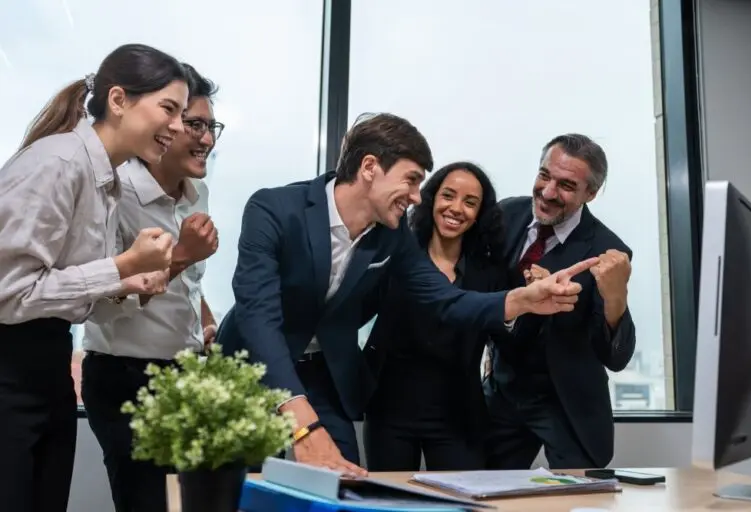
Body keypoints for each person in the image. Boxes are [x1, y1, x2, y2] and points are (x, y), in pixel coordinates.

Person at [216, 113, 600, 476]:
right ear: (369, 168)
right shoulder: (275, 209)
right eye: (411, 180)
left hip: (320, 372)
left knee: (342, 481)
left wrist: (524, 299)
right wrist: (300, 423)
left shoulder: (392, 235)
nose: (418, 197)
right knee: (232, 485)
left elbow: (444, 299)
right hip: (251, 364)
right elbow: (259, 317)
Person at [0, 43, 190, 512]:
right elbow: (8, 294)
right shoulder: (60, 162)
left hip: (48, 365)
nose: (179, 127)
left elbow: (59, 283)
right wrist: (123, 267)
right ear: (119, 100)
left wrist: (130, 283)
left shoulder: (106, 178)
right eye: (169, 108)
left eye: (183, 113)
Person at [81, 63, 222, 512]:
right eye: (194, 124)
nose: (206, 138)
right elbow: (103, 303)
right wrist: (182, 255)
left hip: (187, 377)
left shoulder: (193, 195)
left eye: (211, 125)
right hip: (126, 379)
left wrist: (204, 317)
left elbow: (186, 282)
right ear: (168, 126)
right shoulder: (116, 194)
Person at [484, 133, 636, 470]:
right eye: (544, 175)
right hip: (503, 391)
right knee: (481, 491)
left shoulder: (608, 250)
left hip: (566, 400)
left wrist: (616, 298)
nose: (548, 192)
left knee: (581, 498)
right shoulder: (504, 216)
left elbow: (616, 356)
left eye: (566, 185)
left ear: (591, 193)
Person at [362, 162, 507, 471]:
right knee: (391, 504)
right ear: (431, 199)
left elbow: (505, 331)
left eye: (470, 203)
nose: (456, 209)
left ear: (480, 213)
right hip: (391, 410)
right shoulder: (396, 254)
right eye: (448, 196)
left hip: (459, 416)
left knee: (463, 502)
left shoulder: (490, 273)